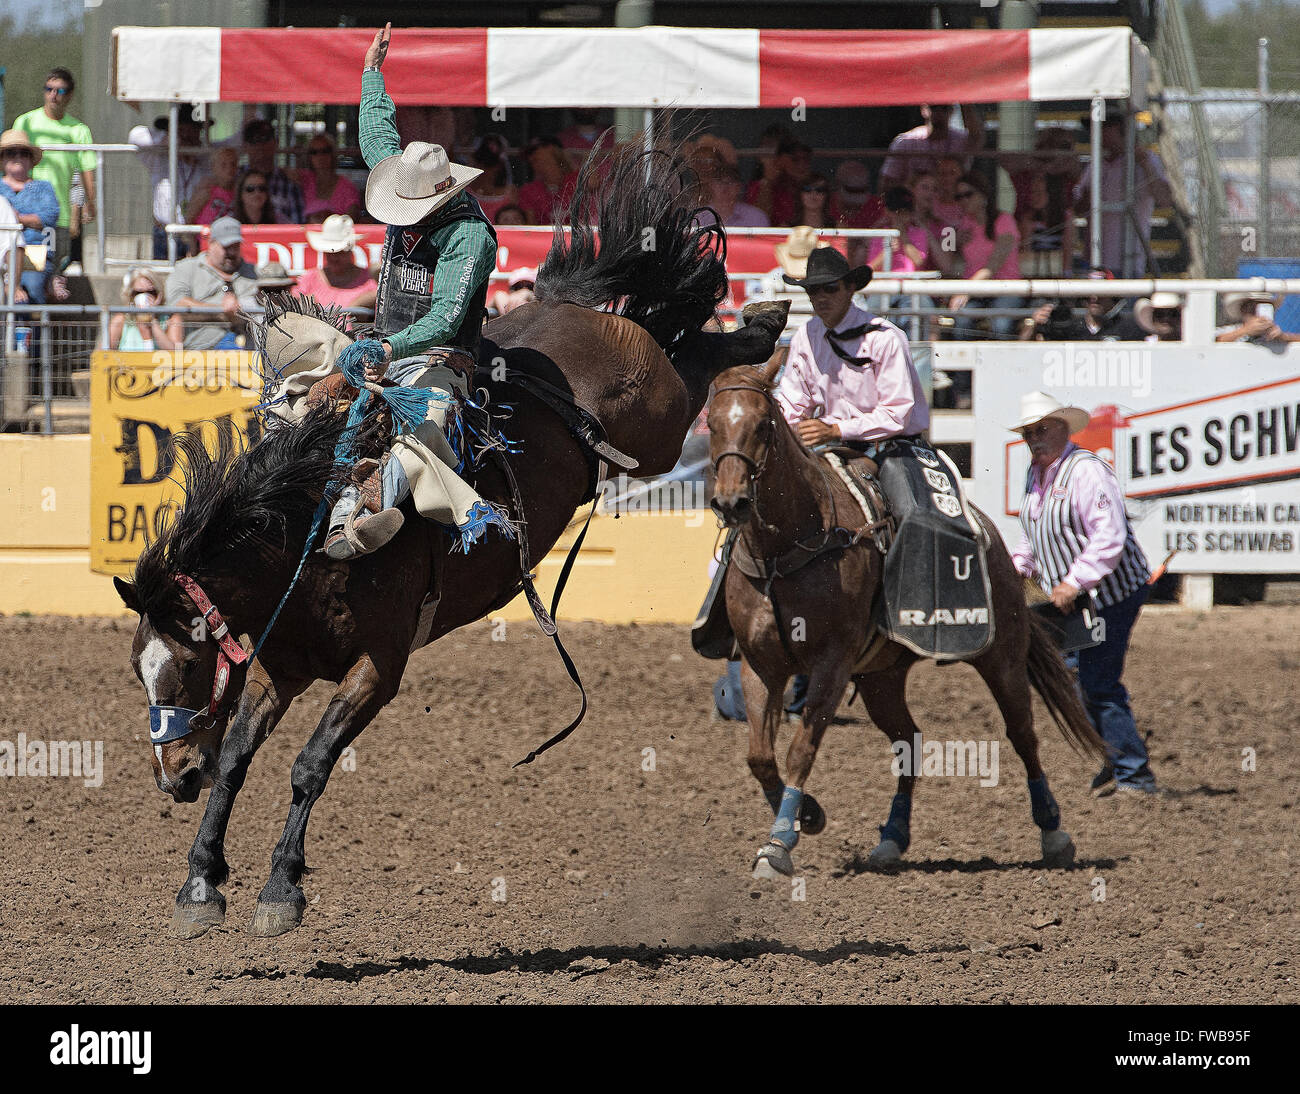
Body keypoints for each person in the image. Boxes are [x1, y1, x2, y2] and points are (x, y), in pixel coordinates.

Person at [315, 22, 511, 562]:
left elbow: (447, 320)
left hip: (438, 358)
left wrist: (384, 350)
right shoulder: (411, 177)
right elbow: (377, 135)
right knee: (300, 392)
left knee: (426, 425)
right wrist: (371, 73)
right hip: (384, 343)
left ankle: (362, 507)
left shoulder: (468, 235)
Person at [772, 245, 930, 716]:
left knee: (913, 514)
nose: (820, 298)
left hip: (888, 446)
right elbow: (792, 399)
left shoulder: (885, 338)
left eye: (828, 289)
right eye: (812, 290)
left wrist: (839, 428)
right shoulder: (806, 336)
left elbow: (899, 411)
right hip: (825, 445)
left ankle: (916, 613)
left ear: (849, 289)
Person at [1009, 390, 1160, 796]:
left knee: (1097, 682)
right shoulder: (1037, 472)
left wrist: (1075, 581)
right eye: (1028, 432)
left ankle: (1134, 774)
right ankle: (1117, 760)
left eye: (1041, 429)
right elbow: (1032, 531)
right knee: (1078, 679)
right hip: (1077, 599)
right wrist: (1018, 566)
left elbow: (1109, 536)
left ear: (1061, 428)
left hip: (1111, 594)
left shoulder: (1086, 471)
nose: (1034, 439)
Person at [13, 67, 96, 266]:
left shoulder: (79, 130)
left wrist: (90, 204)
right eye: (49, 89)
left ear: (70, 95)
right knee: (33, 271)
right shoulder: (25, 122)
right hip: (27, 214)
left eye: (60, 91)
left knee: (54, 270)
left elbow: (87, 171)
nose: (53, 95)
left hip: (60, 217)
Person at [1072, 114, 1171, 276]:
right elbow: (1079, 208)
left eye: (1104, 128)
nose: (1097, 134)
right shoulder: (1096, 164)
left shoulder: (1145, 160)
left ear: (1120, 130)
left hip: (1128, 258)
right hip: (1095, 258)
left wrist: (1145, 163)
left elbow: (1165, 199)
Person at [164, 216, 259, 350]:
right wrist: (221, 311)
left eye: (235, 246)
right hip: (200, 352)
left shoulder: (253, 272)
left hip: (250, 353)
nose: (231, 252)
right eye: (226, 247)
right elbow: (177, 305)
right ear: (211, 243)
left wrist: (240, 311)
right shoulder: (187, 268)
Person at [128, 106, 210, 259]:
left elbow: (235, 143)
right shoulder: (159, 157)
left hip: (196, 232)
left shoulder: (206, 159)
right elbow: (134, 136)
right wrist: (169, 142)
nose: (186, 137)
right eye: (181, 131)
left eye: (192, 131)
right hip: (164, 233)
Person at [949, 172, 1022, 340]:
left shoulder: (1004, 220)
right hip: (976, 291)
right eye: (958, 197)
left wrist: (966, 290)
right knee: (962, 320)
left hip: (1006, 288)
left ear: (983, 194)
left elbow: (993, 265)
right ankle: (964, 367)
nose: (963, 201)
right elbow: (946, 256)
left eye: (968, 194)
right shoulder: (962, 222)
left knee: (1001, 324)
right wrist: (955, 241)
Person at [0, 130, 61, 307]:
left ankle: (32, 334)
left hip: (34, 257)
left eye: (23, 153)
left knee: (31, 290)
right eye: (11, 153)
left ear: (31, 160)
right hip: (1, 254)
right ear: (3, 159)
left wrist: (16, 219)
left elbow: (50, 216)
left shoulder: (44, 188)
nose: (18, 157)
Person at [1020, 267, 1142, 341]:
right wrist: (1033, 324)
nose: (1094, 297)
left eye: (1101, 292)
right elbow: (1023, 355)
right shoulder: (1068, 327)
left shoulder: (1128, 328)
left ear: (1113, 296)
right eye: (1089, 291)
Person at [879, 104, 985, 188]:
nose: (939, 112)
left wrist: (964, 99)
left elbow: (977, 138)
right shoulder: (905, 142)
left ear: (952, 111)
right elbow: (886, 182)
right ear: (923, 110)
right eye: (933, 107)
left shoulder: (962, 139)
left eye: (944, 108)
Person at [294, 214, 378, 311]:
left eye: (339, 253)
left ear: (349, 251)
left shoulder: (369, 281)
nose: (334, 258)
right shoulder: (309, 279)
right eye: (329, 253)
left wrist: (369, 299)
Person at [242, 118, 305, 225]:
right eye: (254, 140)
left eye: (265, 139)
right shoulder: (235, 179)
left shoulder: (290, 183)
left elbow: (298, 226)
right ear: (245, 146)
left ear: (276, 143)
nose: (260, 145)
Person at [107, 267, 178, 351]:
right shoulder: (121, 320)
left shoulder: (171, 319)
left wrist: (152, 321)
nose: (145, 296)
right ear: (131, 295)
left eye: (151, 292)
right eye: (138, 293)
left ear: (159, 295)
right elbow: (103, 354)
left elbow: (174, 354)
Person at [746, 137, 811, 228]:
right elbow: (758, 221)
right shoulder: (760, 186)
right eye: (795, 159)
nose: (802, 165)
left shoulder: (818, 188)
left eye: (806, 159)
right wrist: (769, 180)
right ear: (780, 161)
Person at [296, 133, 362, 220]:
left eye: (325, 151)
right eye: (314, 152)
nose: (320, 156)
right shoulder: (304, 180)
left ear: (333, 154)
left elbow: (352, 220)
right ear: (308, 157)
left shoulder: (347, 188)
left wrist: (330, 218)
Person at [516, 136, 577, 226]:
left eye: (535, 151)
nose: (532, 157)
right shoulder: (529, 190)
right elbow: (530, 227)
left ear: (553, 150)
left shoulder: (578, 179)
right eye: (531, 158)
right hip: (544, 237)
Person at [466, 134, 519, 223]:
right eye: (481, 163)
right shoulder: (465, 193)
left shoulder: (511, 194)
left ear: (500, 166)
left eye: (491, 164)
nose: (485, 169)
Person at [699, 163, 768, 229]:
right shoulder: (699, 217)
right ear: (711, 185)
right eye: (719, 181)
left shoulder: (756, 216)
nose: (725, 186)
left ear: (739, 187)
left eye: (730, 182)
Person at [1216, 291, 1300, 344]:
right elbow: (1210, 343)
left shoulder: (1274, 334)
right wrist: (1244, 331)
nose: (1258, 314)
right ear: (1243, 310)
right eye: (1252, 308)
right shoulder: (1232, 330)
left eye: (1265, 308)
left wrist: (1283, 337)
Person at [187, 147, 240, 226]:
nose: (229, 169)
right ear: (213, 168)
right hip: (206, 237)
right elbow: (188, 221)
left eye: (233, 164)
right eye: (223, 165)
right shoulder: (206, 192)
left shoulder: (241, 193)